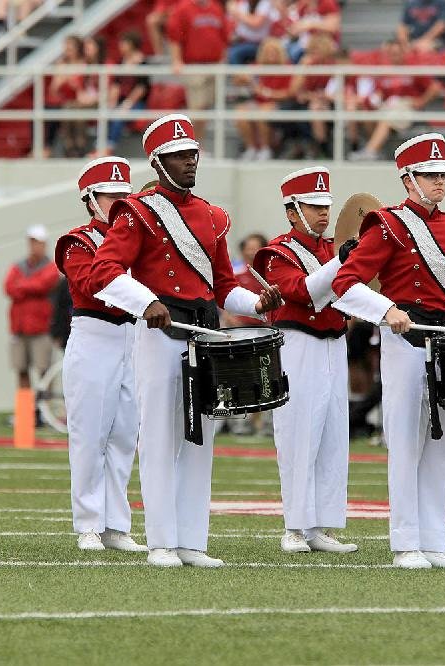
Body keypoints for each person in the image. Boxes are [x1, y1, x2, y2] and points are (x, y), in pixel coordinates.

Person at [87, 113, 282, 567]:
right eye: (179, 155)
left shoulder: (212, 215)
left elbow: (221, 285)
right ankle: (160, 542)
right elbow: (104, 271)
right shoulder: (137, 211)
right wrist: (144, 301)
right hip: (161, 332)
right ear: (157, 161)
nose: (190, 161)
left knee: (201, 437)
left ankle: (192, 541)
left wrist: (256, 304)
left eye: (193, 153)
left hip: (206, 330)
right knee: (159, 434)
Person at [330, 133, 445, 570]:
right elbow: (345, 284)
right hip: (404, 342)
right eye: (430, 176)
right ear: (409, 178)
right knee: (406, 440)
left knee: (439, 439)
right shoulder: (388, 224)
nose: (439, 183)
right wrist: (385, 309)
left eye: (443, 175)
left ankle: (435, 541)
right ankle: (405, 541)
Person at [253, 166, 356, 555]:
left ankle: (321, 526)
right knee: (299, 434)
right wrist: (342, 264)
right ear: (293, 211)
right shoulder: (276, 252)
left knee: (333, 436)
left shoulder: (332, 248)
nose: (323, 212)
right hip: (298, 345)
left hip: (335, 343)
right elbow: (301, 290)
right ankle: (294, 526)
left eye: (325, 205)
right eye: (313, 206)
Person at [55, 157, 146, 554]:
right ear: (91, 200)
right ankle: (89, 523)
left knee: (125, 434)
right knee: (90, 434)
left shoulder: (138, 243)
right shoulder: (78, 242)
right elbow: (92, 285)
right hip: (94, 335)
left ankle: (116, 525)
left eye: (125, 195)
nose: (121, 203)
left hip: (134, 336)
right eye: (112, 197)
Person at [349, 40, 442, 161]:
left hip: (405, 106)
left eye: (397, 53)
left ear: (403, 53)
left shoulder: (412, 69)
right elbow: (378, 94)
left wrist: (421, 101)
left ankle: (370, 151)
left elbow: (435, 88)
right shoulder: (385, 72)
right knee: (367, 114)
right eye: (392, 53)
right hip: (388, 105)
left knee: (387, 118)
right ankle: (376, 149)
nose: (395, 56)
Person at [4, 224, 59, 395]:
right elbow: (8, 287)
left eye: (37, 242)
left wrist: (23, 286)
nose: (34, 246)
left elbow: (42, 285)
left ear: (44, 244)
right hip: (19, 328)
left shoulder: (51, 267)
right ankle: (26, 414)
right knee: (21, 370)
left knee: (44, 371)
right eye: (32, 242)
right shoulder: (19, 265)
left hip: (41, 328)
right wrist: (29, 286)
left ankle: (43, 411)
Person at [167, 0, 228, 149]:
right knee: (197, 108)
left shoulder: (216, 8)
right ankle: (194, 146)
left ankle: (198, 145)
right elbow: (174, 35)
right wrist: (176, 60)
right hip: (194, 64)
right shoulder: (183, 8)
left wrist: (223, 61)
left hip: (214, 65)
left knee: (205, 108)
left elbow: (224, 36)